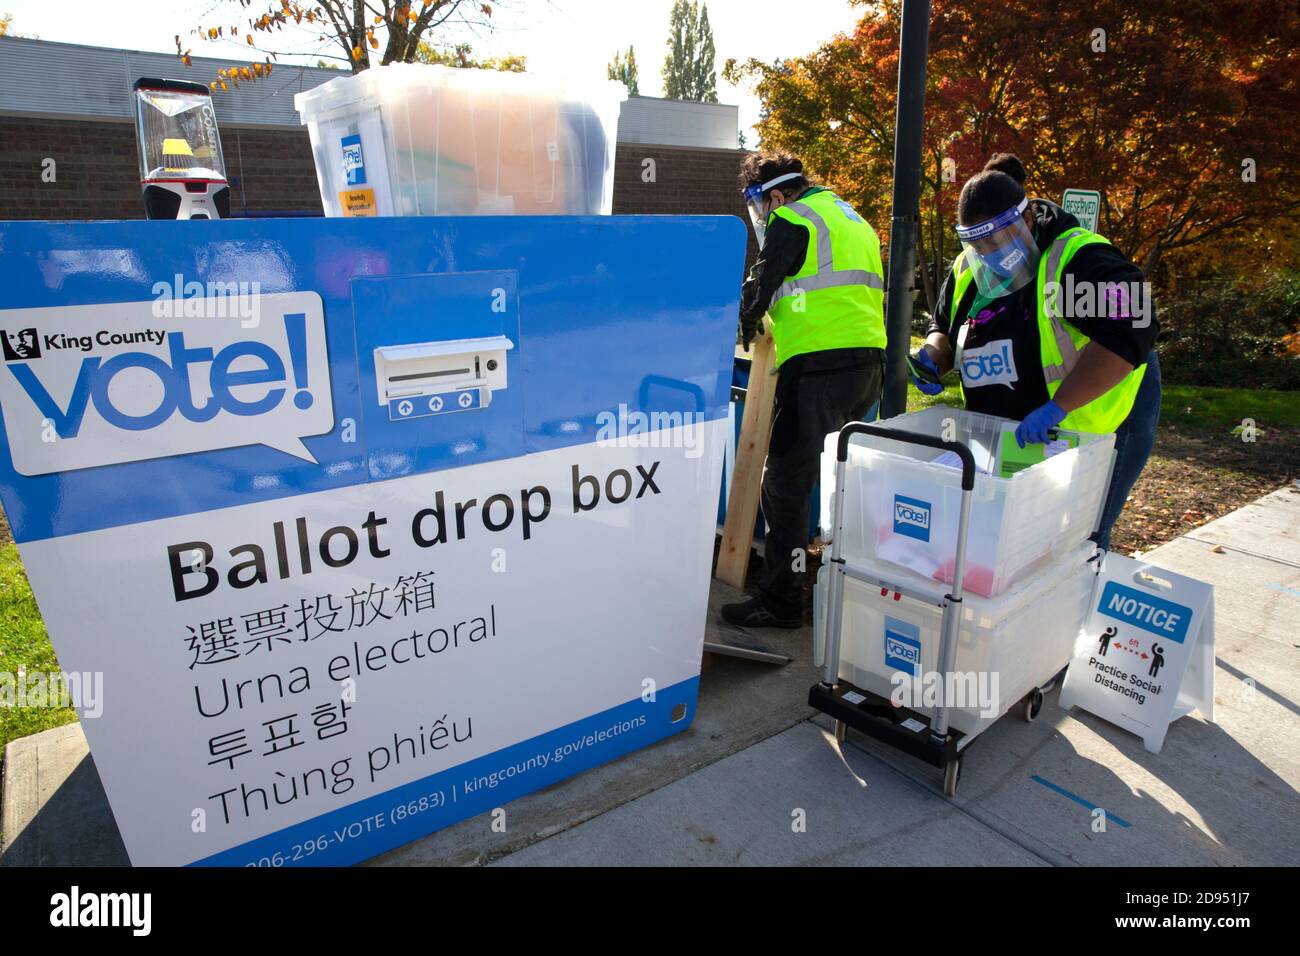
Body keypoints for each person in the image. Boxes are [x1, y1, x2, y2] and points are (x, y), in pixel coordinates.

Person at [909, 153, 1161, 552]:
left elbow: (1133, 322)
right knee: (1017, 534)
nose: (989, 252)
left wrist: (1059, 406)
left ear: (1026, 220)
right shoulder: (968, 268)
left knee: (1078, 538)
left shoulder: (1075, 258)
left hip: (1098, 425)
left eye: (997, 238)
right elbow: (943, 325)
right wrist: (932, 356)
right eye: (977, 242)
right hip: (1016, 428)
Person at [722, 153, 886, 628]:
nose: (762, 217)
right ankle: (839, 586)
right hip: (865, 366)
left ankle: (781, 600)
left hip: (818, 370)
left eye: (760, 206)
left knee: (785, 484)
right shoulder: (850, 216)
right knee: (842, 481)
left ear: (776, 194)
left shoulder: (792, 217)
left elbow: (761, 286)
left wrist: (743, 319)